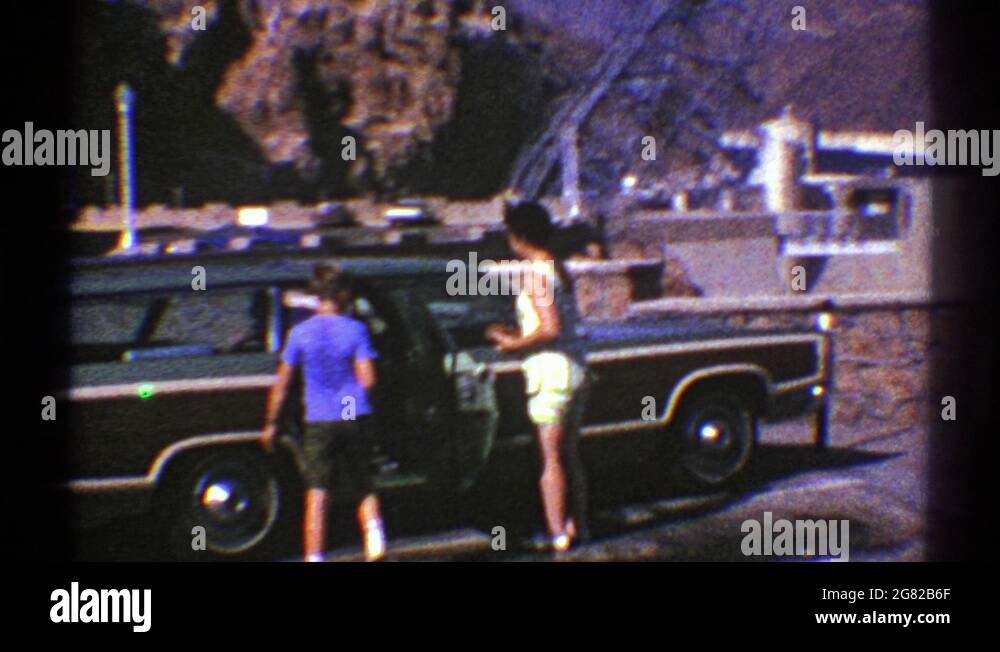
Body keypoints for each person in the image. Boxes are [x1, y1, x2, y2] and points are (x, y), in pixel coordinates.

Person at [262, 263, 386, 562]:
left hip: (318, 416)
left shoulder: (299, 333)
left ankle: (315, 556)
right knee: (362, 482)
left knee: (317, 491)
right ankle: (375, 541)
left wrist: (271, 423)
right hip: (352, 411)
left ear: (316, 295)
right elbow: (369, 379)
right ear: (343, 295)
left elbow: (283, 384)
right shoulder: (356, 329)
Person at [486, 201, 591, 553]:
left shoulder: (534, 274)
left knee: (551, 459)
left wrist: (514, 342)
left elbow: (549, 327)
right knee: (569, 454)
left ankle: (557, 532)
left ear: (520, 236)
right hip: (575, 367)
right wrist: (519, 332)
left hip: (550, 371)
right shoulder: (558, 268)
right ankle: (579, 524)